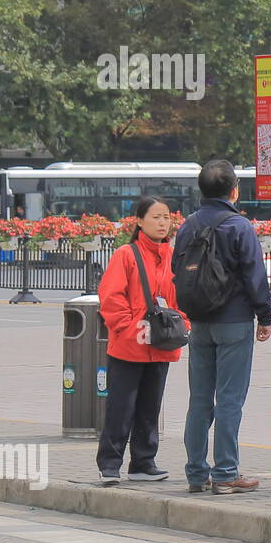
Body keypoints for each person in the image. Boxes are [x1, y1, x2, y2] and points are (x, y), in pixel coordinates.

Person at [173, 160, 271, 495]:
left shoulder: (187, 226)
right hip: (234, 322)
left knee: (199, 400)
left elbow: (178, 270)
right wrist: (265, 316)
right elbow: (255, 276)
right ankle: (226, 473)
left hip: (199, 323)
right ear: (234, 190)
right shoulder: (238, 226)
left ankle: (196, 474)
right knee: (230, 399)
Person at [95, 197, 185, 484]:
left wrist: (183, 322)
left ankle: (143, 463)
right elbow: (111, 296)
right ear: (139, 221)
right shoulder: (126, 254)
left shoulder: (173, 255)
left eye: (166, 217)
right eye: (156, 217)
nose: (162, 223)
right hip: (128, 346)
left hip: (161, 344)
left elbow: (180, 297)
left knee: (150, 407)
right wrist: (128, 327)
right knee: (121, 407)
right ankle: (110, 464)